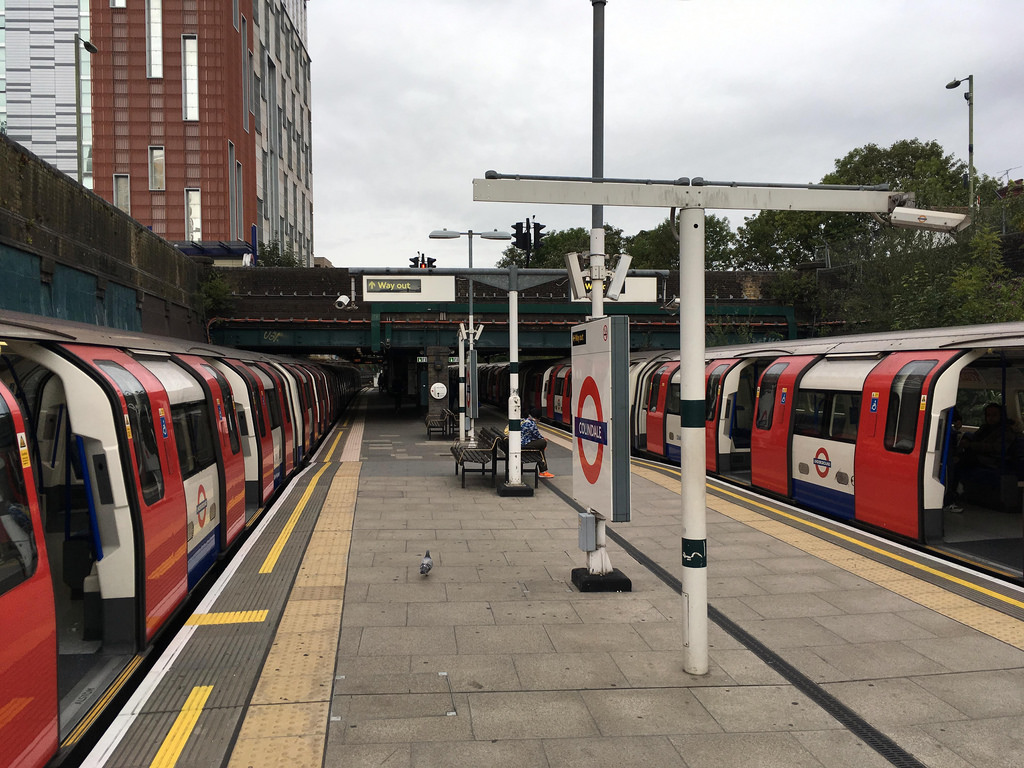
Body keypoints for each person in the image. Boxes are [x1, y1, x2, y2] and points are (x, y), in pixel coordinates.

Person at [503, 409, 552, 477]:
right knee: (542, 443)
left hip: (512, 443)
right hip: (521, 445)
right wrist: (544, 440)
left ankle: (543, 470)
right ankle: (543, 471)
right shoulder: (531, 423)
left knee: (541, 447)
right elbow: (537, 435)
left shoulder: (522, 420)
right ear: (537, 418)